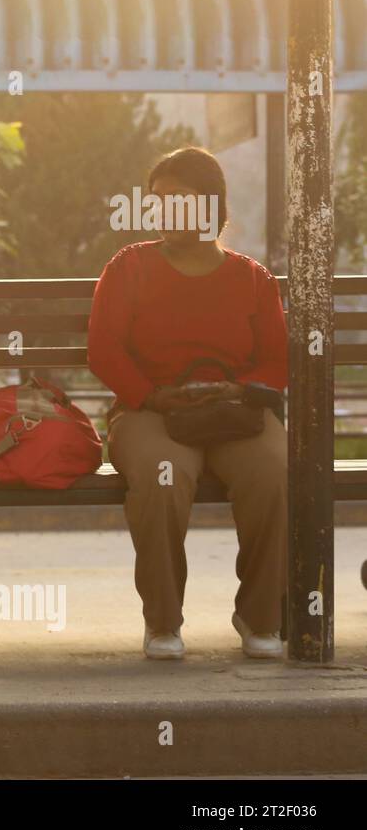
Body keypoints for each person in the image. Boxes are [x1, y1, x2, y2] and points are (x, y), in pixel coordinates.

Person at [87, 147, 289, 661]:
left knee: (274, 470)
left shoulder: (252, 278)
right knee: (162, 474)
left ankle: (260, 615)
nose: (163, 211)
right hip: (150, 412)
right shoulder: (128, 267)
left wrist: (239, 390)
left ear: (212, 206)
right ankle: (162, 620)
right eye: (157, 201)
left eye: (178, 199)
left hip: (234, 412)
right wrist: (151, 395)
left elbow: (276, 360)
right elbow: (104, 349)